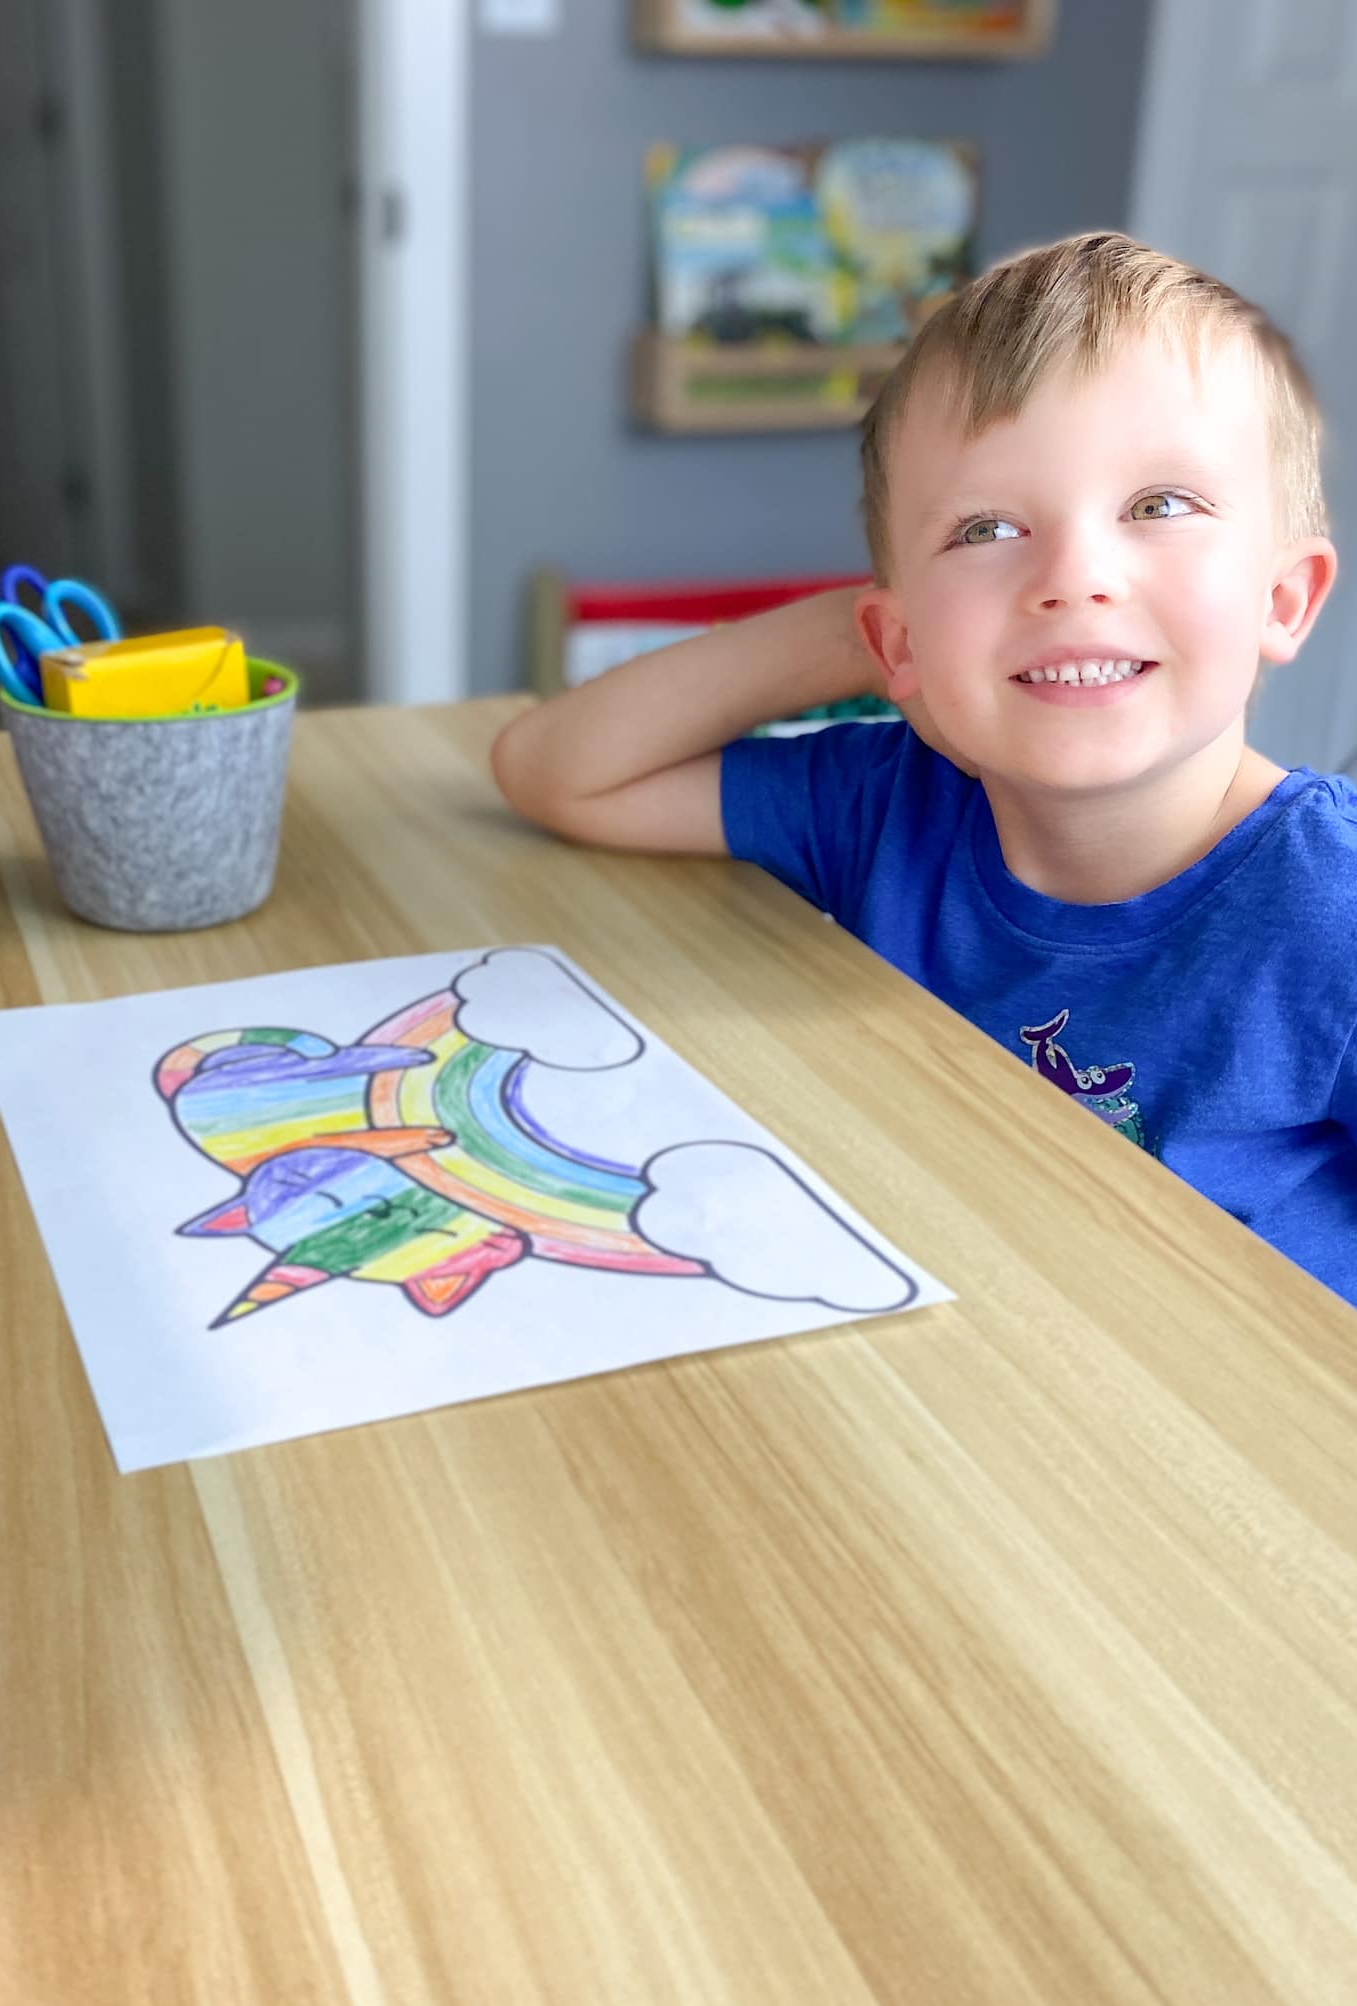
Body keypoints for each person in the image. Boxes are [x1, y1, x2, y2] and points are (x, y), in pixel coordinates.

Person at [492, 231, 1357, 1304]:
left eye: (1156, 505)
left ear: (1281, 599)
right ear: (893, 640)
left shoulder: (1333, 910)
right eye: (986, 527)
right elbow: (554, 769)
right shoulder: (887, 805)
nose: (1071, 576)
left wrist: (952, 613)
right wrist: (885, 645)